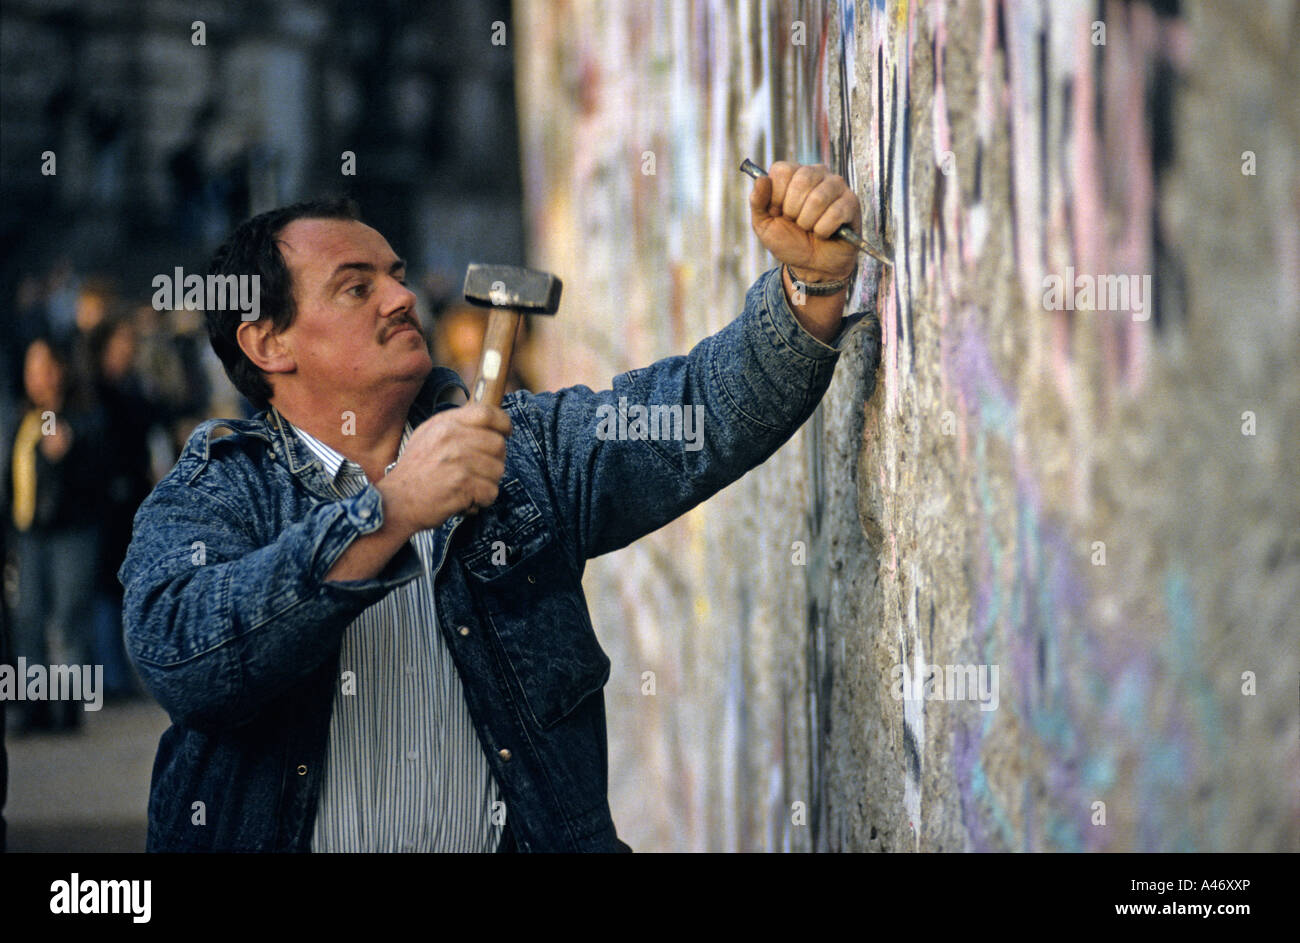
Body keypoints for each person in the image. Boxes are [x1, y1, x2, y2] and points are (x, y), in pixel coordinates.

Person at [119, 161, 869, 852]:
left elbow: (698, 413)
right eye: (357, 286)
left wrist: (809, 286)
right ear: (268, 343)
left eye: (396, 274)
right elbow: (185, 655)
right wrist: (390, 508)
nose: (403, 296)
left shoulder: (520, 449)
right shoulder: (216, 490)